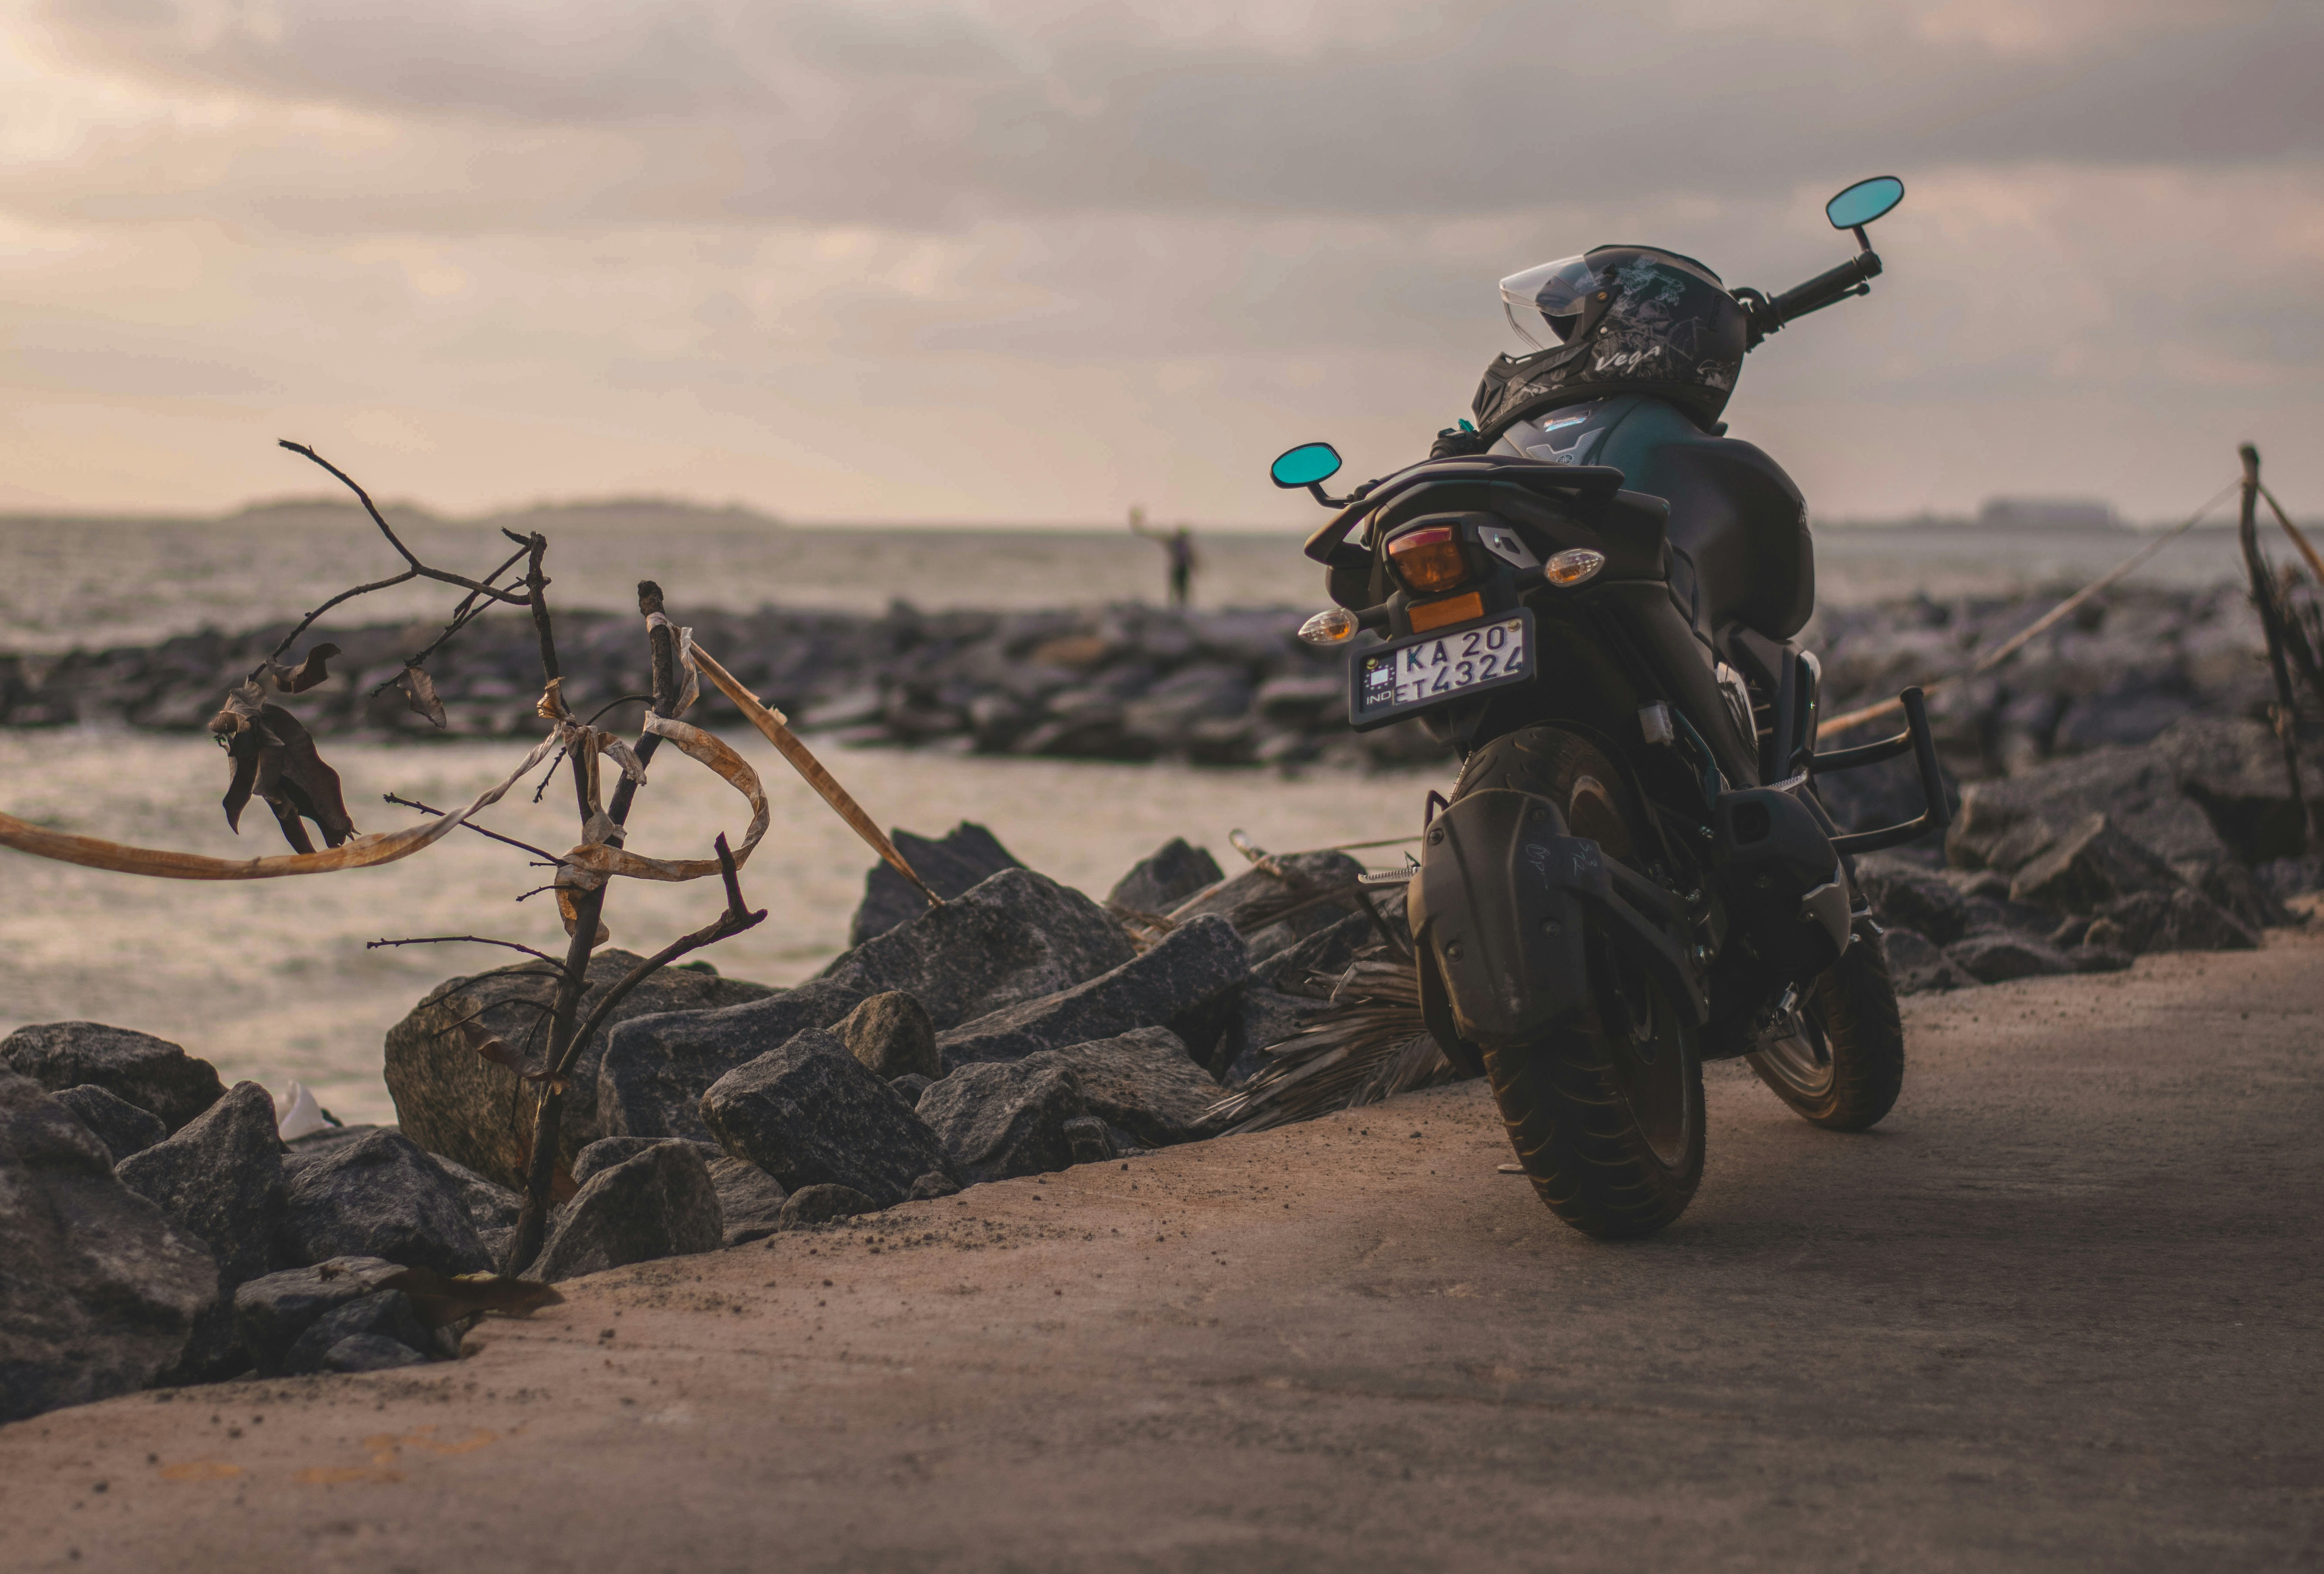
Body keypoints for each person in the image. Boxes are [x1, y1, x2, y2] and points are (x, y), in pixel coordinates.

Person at [1127, 505, 1199, 609]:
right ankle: (1175, 609)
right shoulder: (1173, 541)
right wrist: (1138, 527)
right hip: (1177, 568)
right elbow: (1155, 535)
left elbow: (1191, 558)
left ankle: (1182, 608)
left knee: (1183, 592)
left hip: (1183, 569)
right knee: (1175, 591)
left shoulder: (1185, 545)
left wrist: (1196, 568)